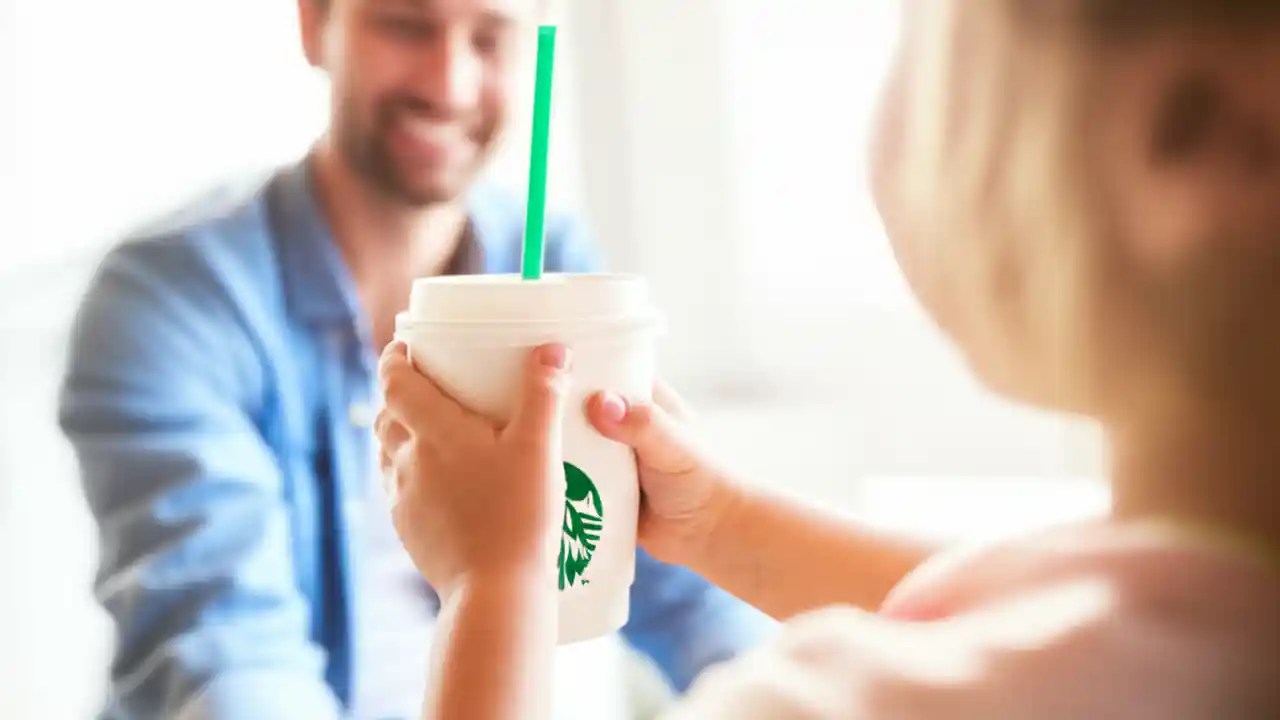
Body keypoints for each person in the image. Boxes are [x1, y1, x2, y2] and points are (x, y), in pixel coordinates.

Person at [376, 0, 1280, 718]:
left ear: (1179, 135)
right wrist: (723, 525)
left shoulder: (853, 705)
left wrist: (493, 584)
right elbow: (1016, 597)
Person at [58, 0, 772, 718]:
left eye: (491, 36)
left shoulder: (560, 271)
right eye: (406, 24)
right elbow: (227, 654)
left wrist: (796, 688)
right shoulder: (174, 303)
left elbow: (675, 586)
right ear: (315, 25)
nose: (451, 84)